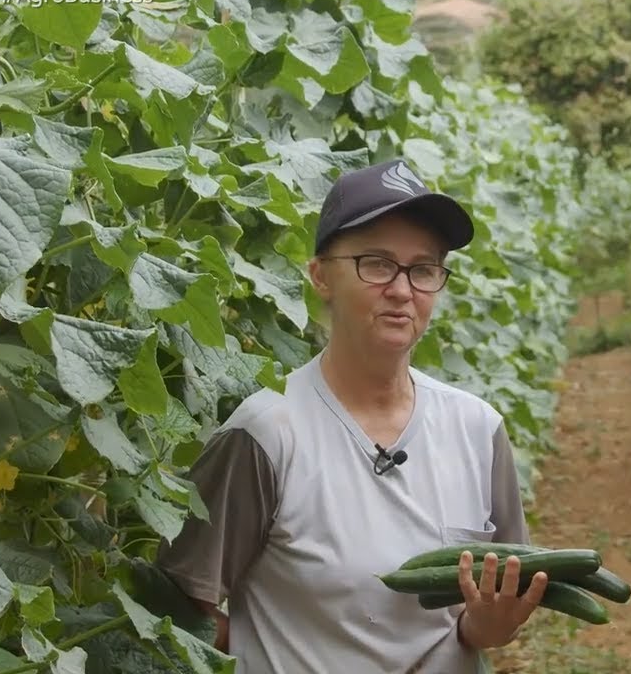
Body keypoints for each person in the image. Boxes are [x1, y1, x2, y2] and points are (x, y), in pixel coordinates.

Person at [155, 159, 548, 673]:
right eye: (377, 263)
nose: (403, 290)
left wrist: (488, 627)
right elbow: (184, 608)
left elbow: (485, 613)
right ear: (320, 275)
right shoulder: (266, 435)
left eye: (423, 269)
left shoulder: (478, 430)